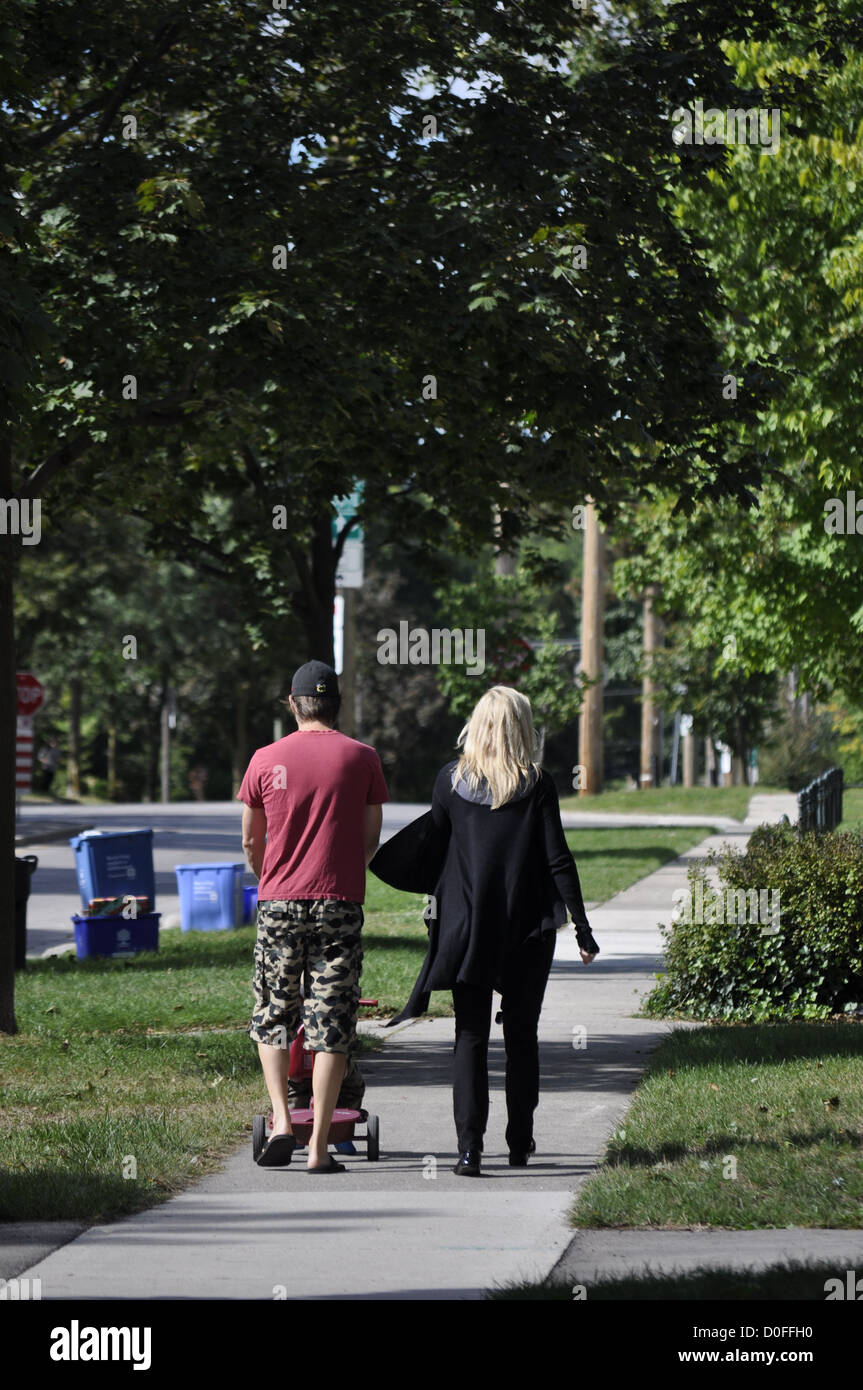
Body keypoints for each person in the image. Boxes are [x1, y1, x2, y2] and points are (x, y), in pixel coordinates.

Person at [370, 685, 599, 1177]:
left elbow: (434, 850)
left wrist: (434, 907)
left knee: (469, 1035)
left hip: (467, 927)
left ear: (477, 726)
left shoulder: (450, 782)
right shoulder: (536, 784)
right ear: (521, 728)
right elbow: (557, 857)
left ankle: (468, 1150)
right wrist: (582, 927)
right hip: (527, 929)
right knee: (521, 1035)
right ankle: (519, 1142)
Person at [237, 660, 389, 1173]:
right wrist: (344, 870)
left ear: (292, 703)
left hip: (279, 901)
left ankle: (282, 1119)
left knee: (273, 1012)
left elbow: (250, 840)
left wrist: (271, 878)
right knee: (333, 1022)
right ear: (335, 704)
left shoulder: (264, 759)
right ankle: (319, 1148)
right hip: (340, 903)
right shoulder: (362, 758)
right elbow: (371, 838)